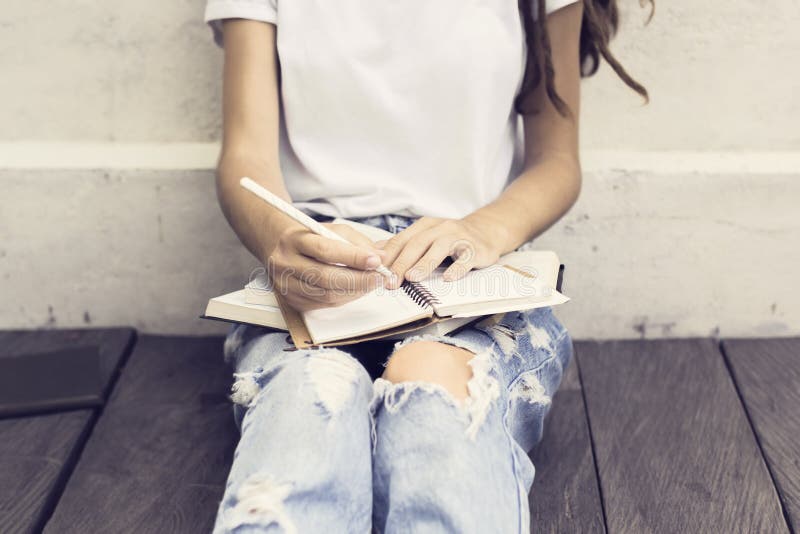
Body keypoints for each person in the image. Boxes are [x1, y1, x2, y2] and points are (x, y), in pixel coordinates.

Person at [202, 0, 649, 531]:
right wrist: (286, 239)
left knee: (435, 391)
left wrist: (484, 230)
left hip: (472, 274)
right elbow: (245, 158)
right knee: (312, 391)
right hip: (318, 267)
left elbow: (556, 161)